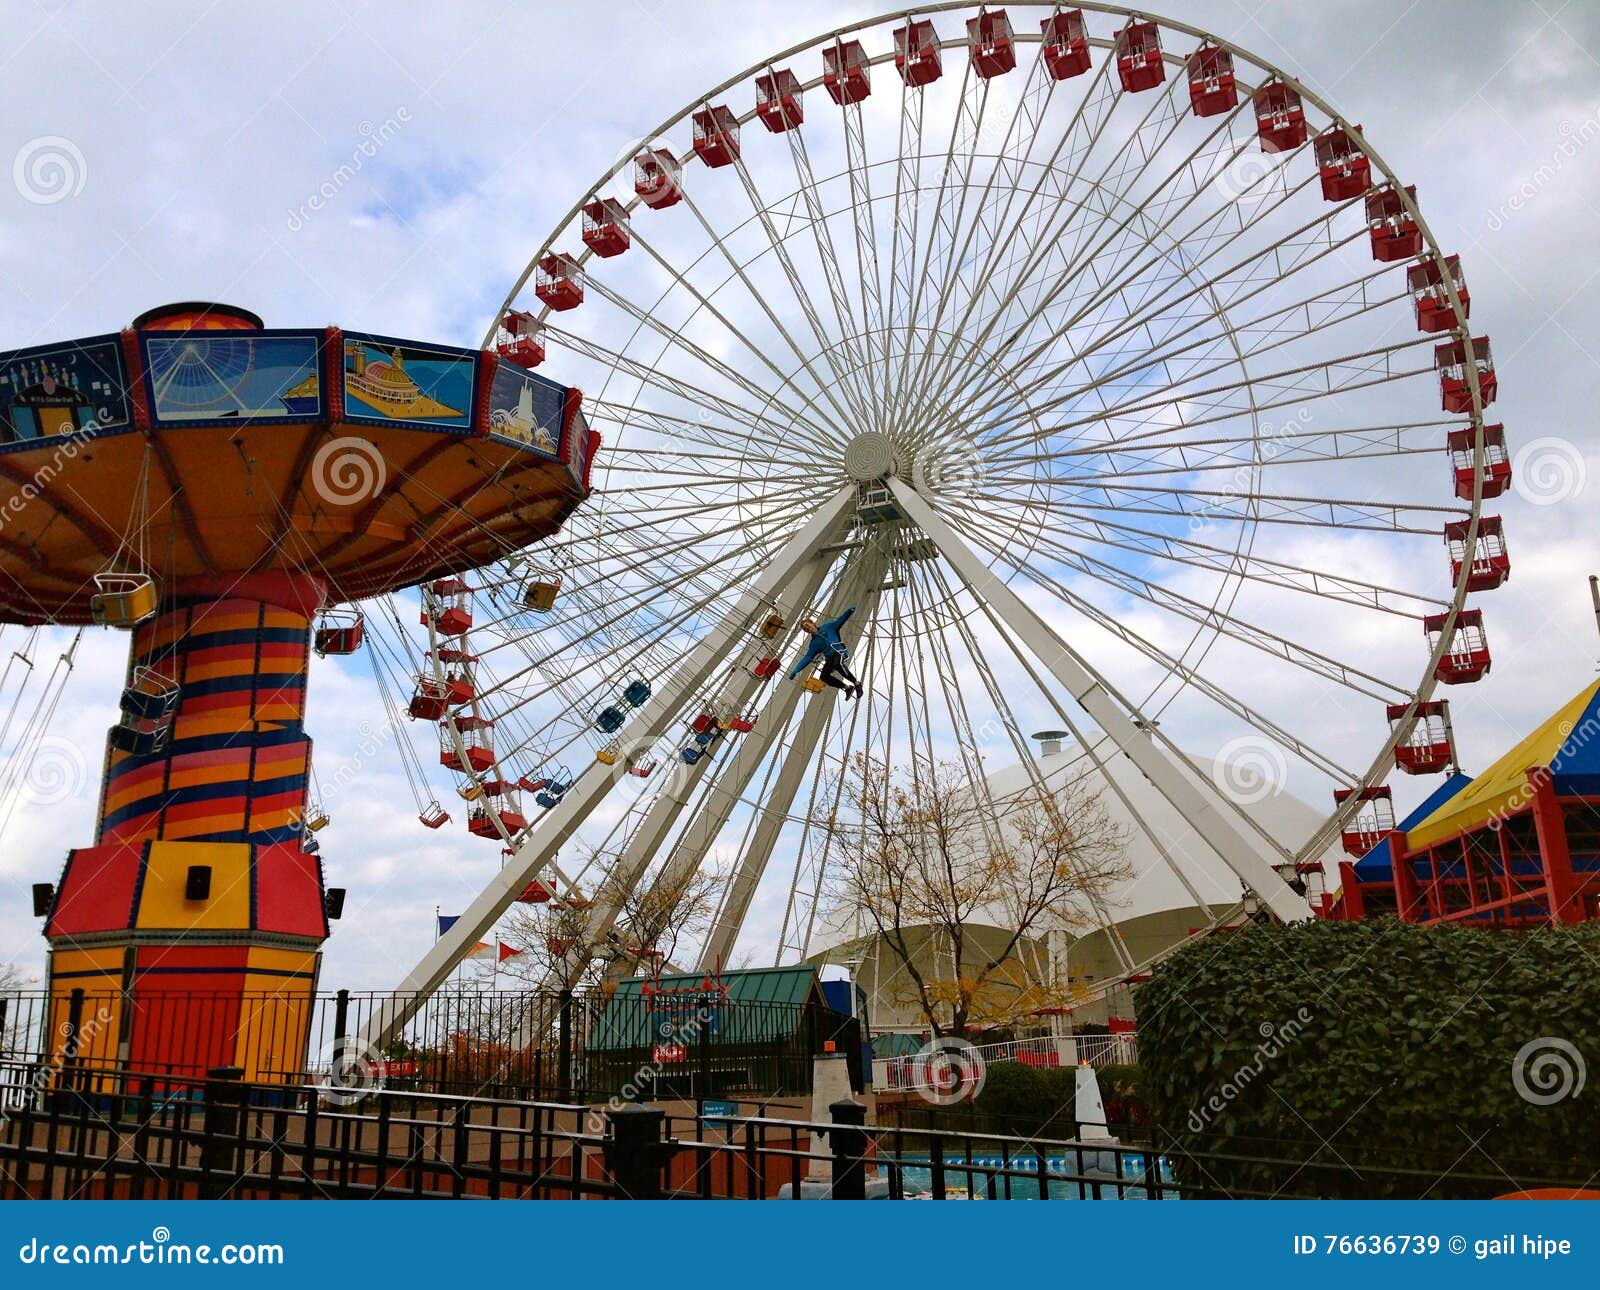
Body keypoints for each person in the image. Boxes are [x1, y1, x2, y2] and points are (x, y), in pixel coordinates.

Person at [789, 607, 863, 699]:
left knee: (838, 664)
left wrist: (849, 611)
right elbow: (807, 657)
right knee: (824, 677)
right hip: (830, 658)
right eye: (805, 629)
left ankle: (856, 683)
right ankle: (847, 688)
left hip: (839, 652)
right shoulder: (813, 643)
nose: (807, 628)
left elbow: (839, 620)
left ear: (813, 623)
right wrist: (796, 670)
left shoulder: (828, 627)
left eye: (807, 625)